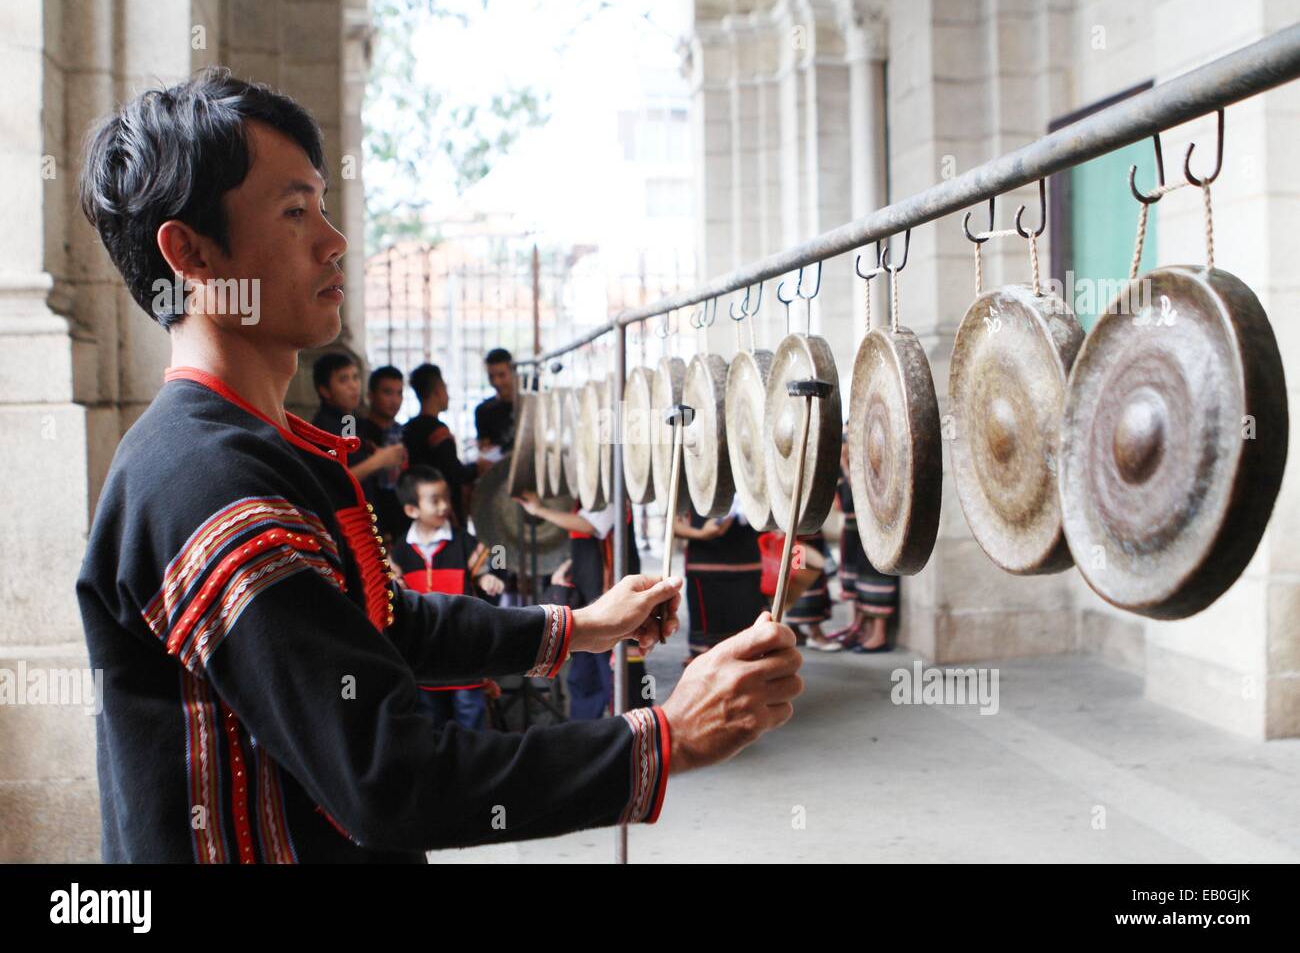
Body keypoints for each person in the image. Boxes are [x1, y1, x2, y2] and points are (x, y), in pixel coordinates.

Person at [75, 68, 802, 862]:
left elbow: (382, 624)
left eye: (323, 203)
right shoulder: (205, 486)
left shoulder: (268, 451)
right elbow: (391, 780)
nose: (334, 239)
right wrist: (666, 738)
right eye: (294, 211)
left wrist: (581, 629)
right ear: (191, 253)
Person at [390, 466, 505, 730]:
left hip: (463, 646)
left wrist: (488, 577)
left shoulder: (464, 541)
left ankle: (474, 768)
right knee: (430, 718)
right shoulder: (399, 553)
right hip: (422, 652)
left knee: (470, 717)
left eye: (446, 498)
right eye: (435, 500)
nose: (444, 506)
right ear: (411, 510)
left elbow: (493, 562)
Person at [516, 492, 646, 719]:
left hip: (612, 603)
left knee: (620, 681)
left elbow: (591, 526)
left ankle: (635, 739)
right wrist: (568, 566)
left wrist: (540, 510)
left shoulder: (610, 494)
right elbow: (588, 544)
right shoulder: (582, 500)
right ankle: (586, 739)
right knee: (583, 679)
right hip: (587, 604)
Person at [675, 507, 767, 661]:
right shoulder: (685, 484)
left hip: (748, 566)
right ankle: (703, 679)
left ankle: (748, 680)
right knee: (708, 644)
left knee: (750, 638)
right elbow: (672, 523)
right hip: (707, 568)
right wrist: (701, 534)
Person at [827, 455, 898, 653]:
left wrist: (846, 466)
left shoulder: (874, 465)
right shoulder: (846, 467)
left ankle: (879, 636)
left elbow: (858, 498)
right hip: (854, 532)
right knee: (860, 583)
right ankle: (863, 629)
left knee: (876, 582)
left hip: (875, 532)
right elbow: (841, 504)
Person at [311, 351, 407, 493]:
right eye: (344, 380)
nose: (353, 386)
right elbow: (333, 482)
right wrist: (378, 460)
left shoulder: (348, 420)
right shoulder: (323, 429)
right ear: (325, 391)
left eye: (355, 377)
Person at [402, 363, 474, 527]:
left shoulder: (408, 428)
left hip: (419, 507)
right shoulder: (438, 430)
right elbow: (453, 472)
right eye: (445, 389)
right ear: (438, 391)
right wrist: (476, 467)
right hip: (443, 511)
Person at [356, 365, 409, 543]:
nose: (395, 400)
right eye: (387, 392)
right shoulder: (358, 433)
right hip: (368, 522)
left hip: (403, 522)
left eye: (399, 393)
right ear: (370, 395)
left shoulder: (404, 433)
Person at [475, 348, 516, 460]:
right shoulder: (483, 411)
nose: (496, 382)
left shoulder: (529, 405)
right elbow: (485, 452)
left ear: (513, 372)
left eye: (501, 375)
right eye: (491, 377)